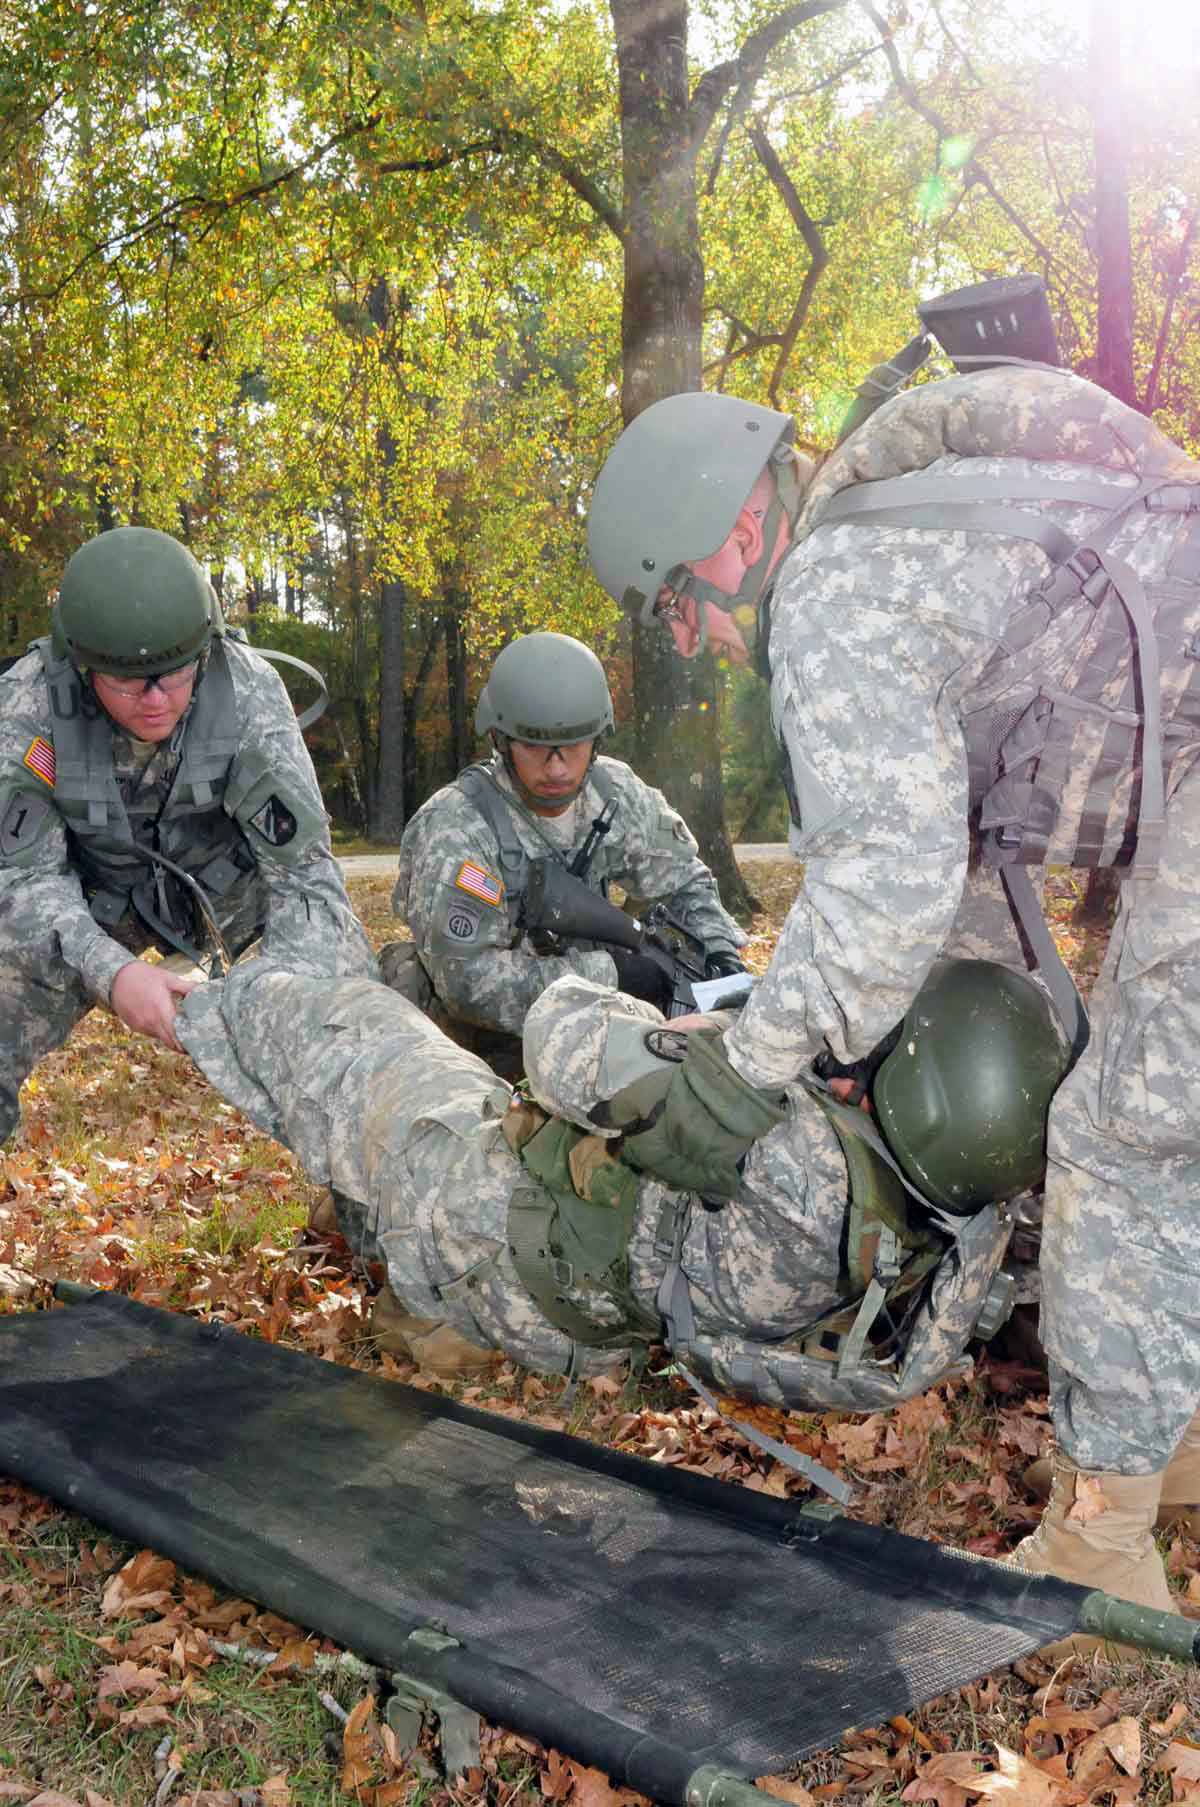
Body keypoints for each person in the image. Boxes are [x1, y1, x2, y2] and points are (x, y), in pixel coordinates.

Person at [584, 362, 1200, 1621]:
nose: (686, 640)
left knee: (1121, 1134)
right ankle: (1166, 1441)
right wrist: (801, 1028)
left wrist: (740, 1076)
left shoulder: (833, 588)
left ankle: (1103, 1549)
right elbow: (955, 925)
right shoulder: (912, 539)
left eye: (676, 601)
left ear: (737, 529)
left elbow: (881, 899)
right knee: (1143, 1106)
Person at [176, 949, 1066, 1407]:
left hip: (482, 1229)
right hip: (590, 1330)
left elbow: (557, 1034)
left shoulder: (774, 1138)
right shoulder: (944, 1224)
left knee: (350, 1021)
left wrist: (697, 1028)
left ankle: (175, 998)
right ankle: (404, 1273)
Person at [0, 525, 374, 1146]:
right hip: (92, 903)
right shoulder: (27, 706)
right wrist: (113, 972)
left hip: (230, 895)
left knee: (345, 1012)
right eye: (127, 682)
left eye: (175, 675)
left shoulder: (248, 689)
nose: (155, 700)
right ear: (84, 667)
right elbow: (23, 883)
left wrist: (283, 993)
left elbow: (306, 876)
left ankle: (360, 1178)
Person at [390, 631, 747, 1071]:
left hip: (595, 1028)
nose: (556, 767)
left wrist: (721, 957)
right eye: (535, 746)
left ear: (597, 740)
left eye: (574, 746)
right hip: (476, 1050)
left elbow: (686, 883)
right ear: (500, 740)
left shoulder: (614, 793)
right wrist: (613, 974)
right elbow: (466, 985)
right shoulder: (456, 826)